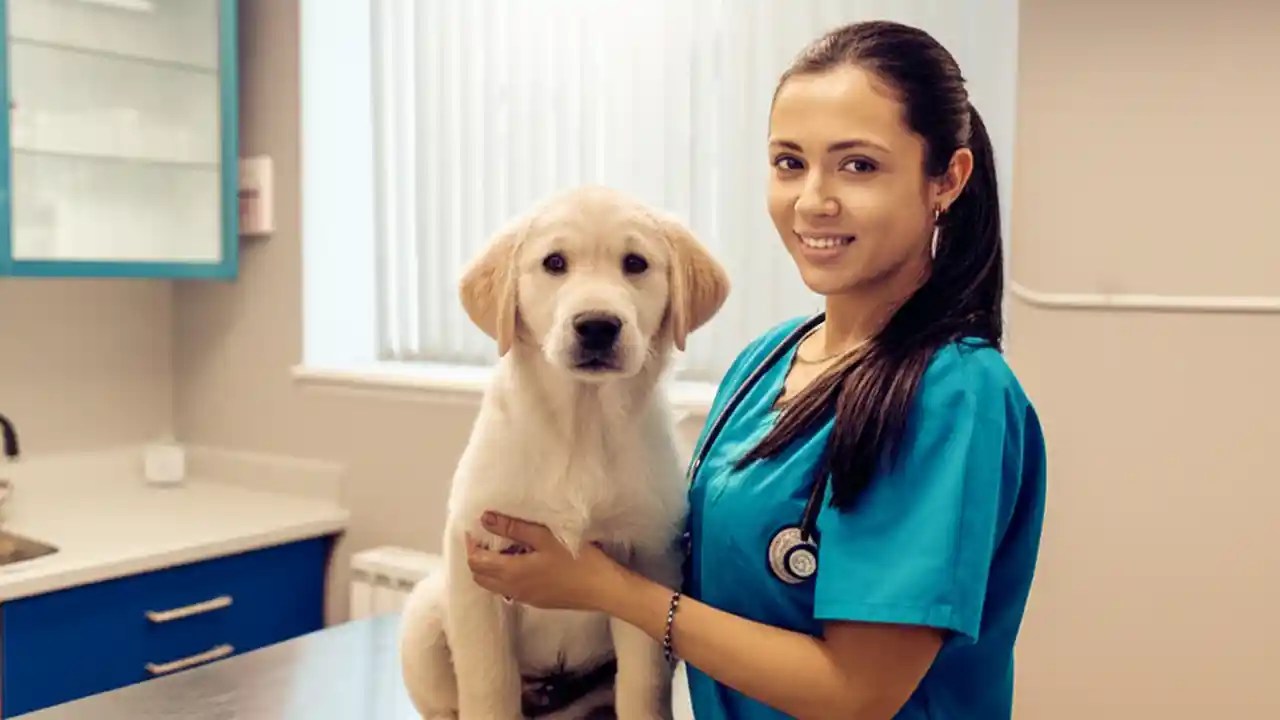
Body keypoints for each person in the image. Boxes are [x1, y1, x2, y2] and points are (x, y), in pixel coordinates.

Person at [465, 19, 1047, 720]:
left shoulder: (954, 394)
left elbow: (856, 694)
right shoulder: (763, 365)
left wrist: (612, 592)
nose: (813, 200)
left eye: (858, 165)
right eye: (789, 163)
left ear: (946, 180)